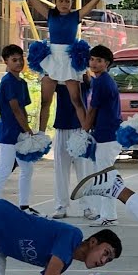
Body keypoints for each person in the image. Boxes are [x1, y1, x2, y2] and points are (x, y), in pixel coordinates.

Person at [27, 0, 100, 133]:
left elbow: (91, 5)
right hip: (52, 59)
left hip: (69, 60)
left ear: (72, 2)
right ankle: (41, 133)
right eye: (60, 0)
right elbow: (32, 0)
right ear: (55, 2)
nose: (64, 4)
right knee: (45, 102)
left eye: (67, 1)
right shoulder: (50, 15)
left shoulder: (75, 16)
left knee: (77, 100)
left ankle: (85, 132)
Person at [0, 44, 41, 214]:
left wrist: (27, 128)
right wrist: (27, 129)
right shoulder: (8, 81)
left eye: (21, 59)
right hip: (10, 131)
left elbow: (23, 108)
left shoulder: (21, 82)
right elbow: (15, 108)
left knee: (27, 168)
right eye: (14, 60)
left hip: (21, 131)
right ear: (6, 62)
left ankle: (24, 205)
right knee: (5, 168)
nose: (19, 63)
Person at [49, 71, 107, 222]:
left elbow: (90, 83)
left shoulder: (85, 78)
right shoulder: (59, 76)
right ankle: (61, 205)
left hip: (81, 128)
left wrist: (82, 71)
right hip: (61, 126)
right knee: (61, 170)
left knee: (84, 171)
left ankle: (87, 206)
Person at [79, 45, 121, 225]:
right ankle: (107, 214)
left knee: (105, 176)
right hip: (105, 134)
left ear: (107, 64)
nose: (94, 63)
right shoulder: (100, 80)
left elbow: (92, 110)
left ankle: (109, 216)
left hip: (106, 135)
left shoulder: (102, 82)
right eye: (92, 59)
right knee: (106, 175)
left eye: (99, 60)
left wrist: (83, 132)